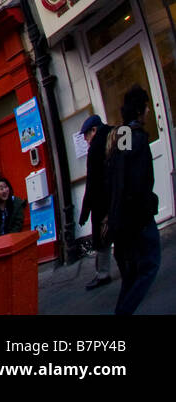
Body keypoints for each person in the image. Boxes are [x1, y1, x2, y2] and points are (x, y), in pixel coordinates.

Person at [106, 86, 161, 315]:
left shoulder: (125, 135)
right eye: (146, 107)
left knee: (132, 273)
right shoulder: (136, 137)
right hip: (138, 217)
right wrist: (146, 207)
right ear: (139, 110)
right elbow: (135, 183)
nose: (148, 111)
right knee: (149, 265)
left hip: (124, 219)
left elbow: (118, 177)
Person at [78, 114, 114, 290]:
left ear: (94, 130)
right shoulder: (118, 134)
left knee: (102, 239)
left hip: (103, 201)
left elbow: (92, 183)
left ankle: (103, 274)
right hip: (121, 195)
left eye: (86, 135)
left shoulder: (95, 149)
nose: (86, 140)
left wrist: (84, 212)